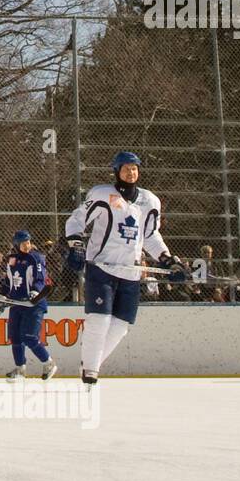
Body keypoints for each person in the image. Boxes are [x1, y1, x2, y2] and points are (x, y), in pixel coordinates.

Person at [64, 152, 185, 388]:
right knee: (99, 320)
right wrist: (76, 246)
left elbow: (150, 235)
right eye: (127, 168)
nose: (132, 173)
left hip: (130, 271)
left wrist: (167, 259)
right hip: (102, 267)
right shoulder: (101, 194)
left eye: (135, 168)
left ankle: (90, 362)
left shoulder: (150, 202)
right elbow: (76, 220)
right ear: (117, 171)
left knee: (120, 327)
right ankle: (90, 371)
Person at [0, 230, 56, 380]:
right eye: (23, 243)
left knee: (29, 337)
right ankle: (20, 369)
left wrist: (35, 292)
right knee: (15, 337)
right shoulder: (12, 260)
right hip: (17, 303)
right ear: (16, 245)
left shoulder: (36, 258)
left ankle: (48, 363)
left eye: (28, 242)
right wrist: (1, 297)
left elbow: (40, 280)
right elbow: (9, 282)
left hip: (34, 304)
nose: (27, 246)